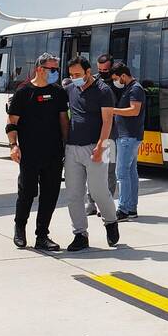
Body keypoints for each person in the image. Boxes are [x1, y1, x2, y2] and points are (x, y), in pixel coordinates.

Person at [6, 53, 68, 251]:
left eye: (57, 69)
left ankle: (42, 235)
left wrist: (67, 145)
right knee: (27, 193)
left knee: (50, 195)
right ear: (40, 69)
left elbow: (63, 121)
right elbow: (11, 123)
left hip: (53, 153)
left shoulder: (58, 92)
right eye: (52, 69)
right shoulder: (23, 93)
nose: (55, 73)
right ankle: (20, 228)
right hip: (29, 154)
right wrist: (13, 146)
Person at [62, 57, 120, 251]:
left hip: (99, 147)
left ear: (88, 72)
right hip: (72, 148)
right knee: (73, 194)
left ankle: (110, 222)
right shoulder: (70, 89)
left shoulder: (104, 91)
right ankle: (80, 234)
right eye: (71, 75)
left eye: (77, 74)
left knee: (98, 190)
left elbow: (107, 121)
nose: (74, 78)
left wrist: (101, 146)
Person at [108, 62, 145, 220]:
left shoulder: (135, 89)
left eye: (117, 78)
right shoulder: (130, 88)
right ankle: (131, 209)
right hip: (127, 136)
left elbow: (134, 110)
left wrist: (113, 111)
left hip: (128, 137)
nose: (116, 81)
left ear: (123, 75)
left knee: (122, 173)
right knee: (130, 173)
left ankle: (123, 209)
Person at [86, 53, 120, 214]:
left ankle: (106, 203)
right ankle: (90, 202)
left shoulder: (119, 83)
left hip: (110, 135)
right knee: (92, 169)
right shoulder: (94, 81)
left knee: (110, 170)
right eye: (99, 69)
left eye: (105, 70)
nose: (102, 72)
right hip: (93, 133)